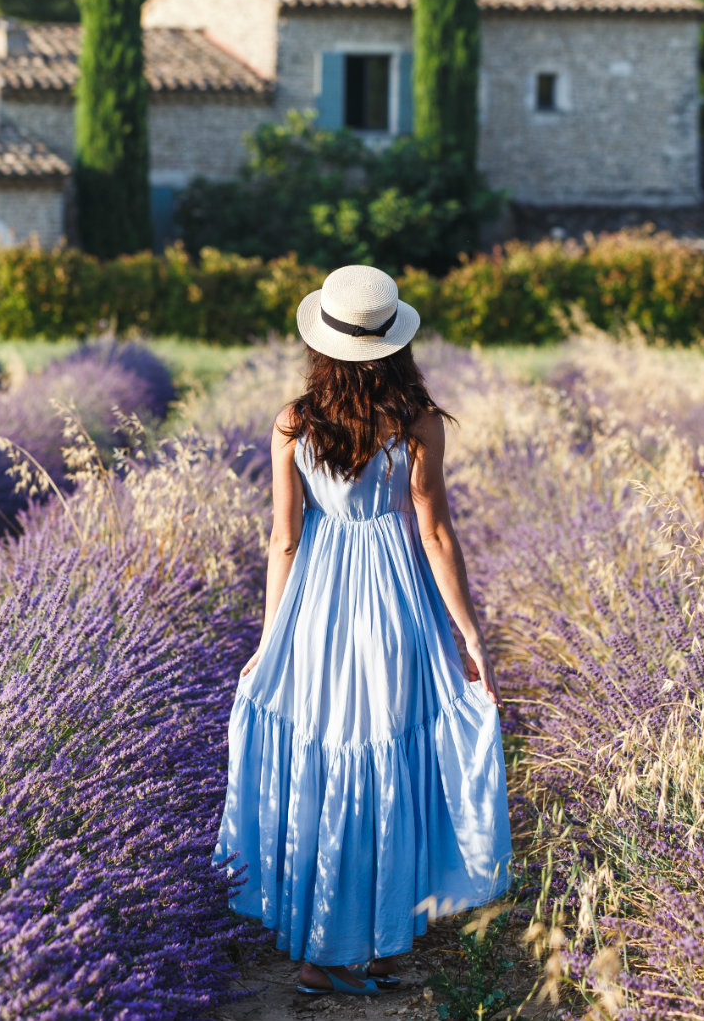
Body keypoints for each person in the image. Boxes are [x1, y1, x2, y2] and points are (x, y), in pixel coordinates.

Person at [212, 264, 513, 995]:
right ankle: (369, 943)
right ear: (394, 342)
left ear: (323, 344)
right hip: (396, 603)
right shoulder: (417, 423)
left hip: (317, 606)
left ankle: (327, 950)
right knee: (386, 755)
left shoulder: (294, 422)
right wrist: (469, 635)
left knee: (327, 757)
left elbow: (284, 540)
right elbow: (434, 534)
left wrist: (269, 639)